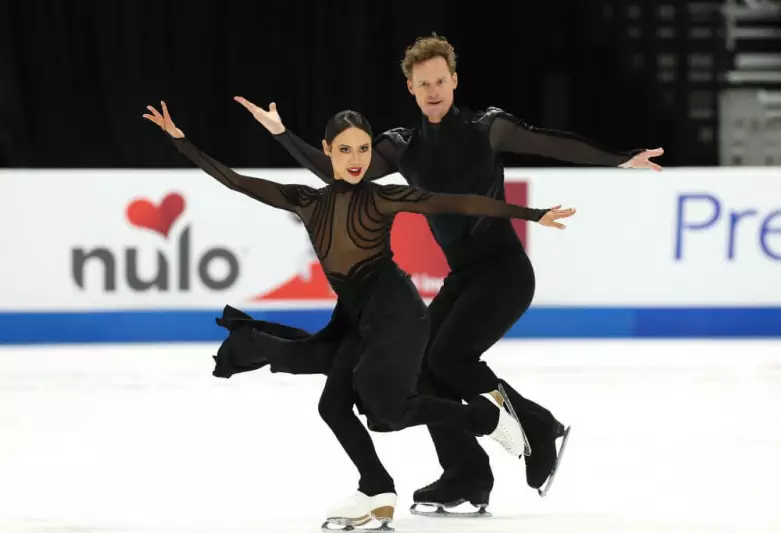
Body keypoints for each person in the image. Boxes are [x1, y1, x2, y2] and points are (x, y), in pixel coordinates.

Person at [233, 33, 663, 515]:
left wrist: (619, 159)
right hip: (462, 277)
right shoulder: (400, 146)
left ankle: (539, 428)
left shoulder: (488, 128)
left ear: (454, 82)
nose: (434, 90)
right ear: (411, 89)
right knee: (420, 366)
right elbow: (338, 169)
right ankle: (467, 475)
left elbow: (550, 142)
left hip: (504, 274)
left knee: (451, 359)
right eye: (423, 83)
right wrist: (280, 133)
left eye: (441, 80)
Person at [143, 101, 576, 530]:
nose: (356, 159)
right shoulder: (307, 201)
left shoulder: (384, 197)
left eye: (364, 149)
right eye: (345, 150)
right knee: (333, 405)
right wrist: (181, 140)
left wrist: (532, 214)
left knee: (385, 413)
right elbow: (235, 181)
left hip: (396, 314)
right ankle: (377, 485)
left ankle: (483, 422)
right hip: (358, 316)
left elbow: (462, 203)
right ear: (327, 151)